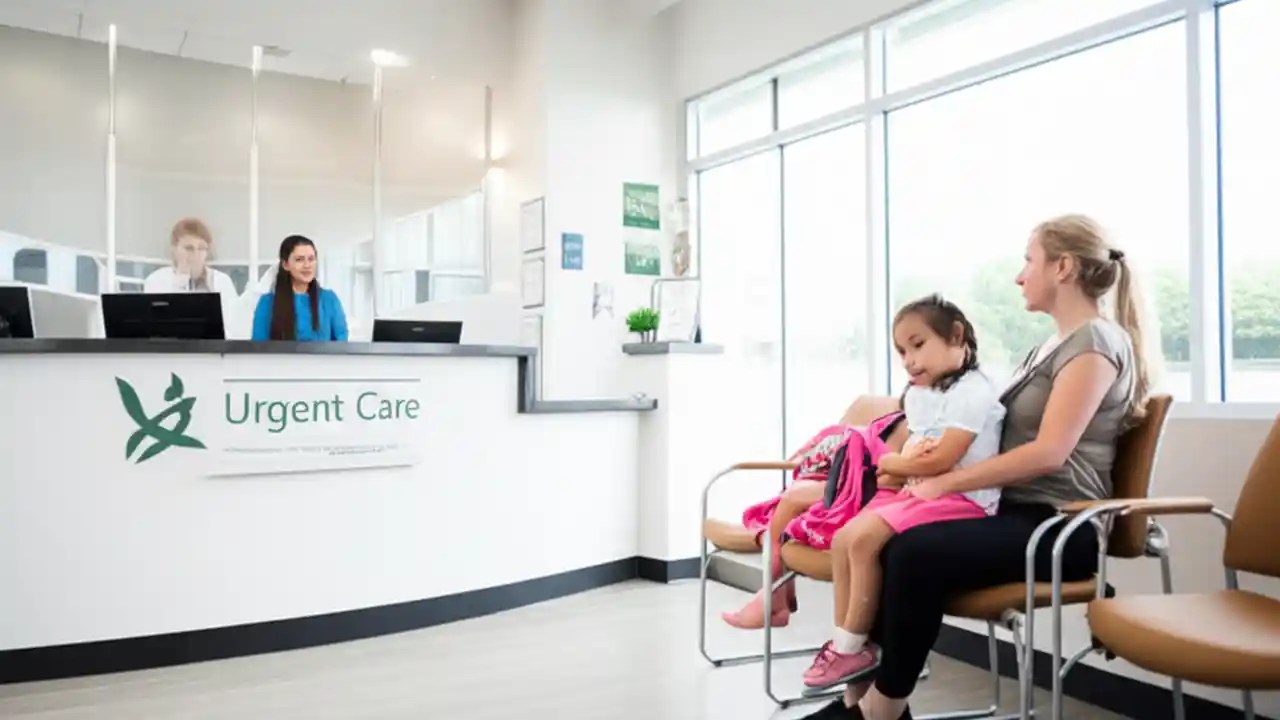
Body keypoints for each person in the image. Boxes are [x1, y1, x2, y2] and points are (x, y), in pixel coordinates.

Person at [801, 213, 1150, 720]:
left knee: (913, 553)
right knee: (882, 539)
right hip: (1017, 511)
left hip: (1062, 522)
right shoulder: (1047, 348)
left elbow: (1049, 453)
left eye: (1029, 260)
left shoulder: (1095, 343)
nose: (1019, 274)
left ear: (1064, 268)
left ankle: (878, 712)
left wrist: (944, 481)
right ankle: (865, 700)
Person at [800, 296, 1006, 691]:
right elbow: (916, 449)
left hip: (963, 498)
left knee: (861, 542)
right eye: (901, 351)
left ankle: (852, 647)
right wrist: (902, 464)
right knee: (845, 538)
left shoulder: (973, 392)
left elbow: (940, 459)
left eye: (918, 345)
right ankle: (848, 643)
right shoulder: (922, 393)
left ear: (957, 336)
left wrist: (894, 465)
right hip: (922, 490)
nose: (909, 360)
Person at [143, 218, 239, 331]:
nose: (196, 254)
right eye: (189, 248)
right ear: (174, 250)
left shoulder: (222, 281)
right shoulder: (156, 280)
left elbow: (234, 328)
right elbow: (156, 326)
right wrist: (181, 282)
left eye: (201, 248)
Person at [252, 235, 348, 342]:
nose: (307, 265)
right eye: (299, 259)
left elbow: (341, 345)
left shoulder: (329, 300)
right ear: (285, 264)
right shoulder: (267, 303)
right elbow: (259, 349)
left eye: (311, 259)